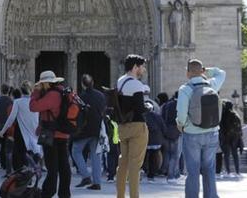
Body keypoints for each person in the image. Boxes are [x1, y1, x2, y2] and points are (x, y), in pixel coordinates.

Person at [175, 60, 225, 198]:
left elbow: (181, 114)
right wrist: (206, 70)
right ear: (202, 71)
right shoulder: (212, 84)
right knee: (209, 169)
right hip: (212, 132)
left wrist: (180, 124)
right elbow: (222, 73)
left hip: (192, 134)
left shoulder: (185, 89)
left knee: (193, 171)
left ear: (188, 73)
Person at [29, 71, 72, 198]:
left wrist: (35, 93)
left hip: (52, 135)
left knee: (52, 167)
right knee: (64, 165)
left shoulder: (52, 95)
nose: (41, 86)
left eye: (42, 84)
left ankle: (48, 192)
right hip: (62, 134)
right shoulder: (62, 92)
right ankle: (64, 193)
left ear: (47, 83)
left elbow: (33, 107)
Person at [114, 54, 150, 198]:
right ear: (135, 67)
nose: (143, 69)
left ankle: (120, 196)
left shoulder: (120, 81)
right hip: (137, 127)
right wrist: (149, 107)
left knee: (123, 163)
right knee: (135, 165)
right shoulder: (136, 85)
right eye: (142, 66)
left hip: (123, 127)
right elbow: (140, 109)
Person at [71, 74, 106, 190]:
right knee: (96, 155)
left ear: (82, 84)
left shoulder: (82, 96)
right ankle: (97, 182)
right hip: (97, 128)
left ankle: (86, 175)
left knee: (76, 150)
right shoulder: (101, 95)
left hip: (85, 129)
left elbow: (79, 113)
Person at [1, 83, 42, 172]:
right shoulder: (36, 101)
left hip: (21, 131)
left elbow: (11, 118)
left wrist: (3, 131)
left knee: (19, 155)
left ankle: (24, 175)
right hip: (34, 130)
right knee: (31, 152)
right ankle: (32, 169)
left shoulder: (18, 102)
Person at [158, 92, 182, 185]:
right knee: (175, 155)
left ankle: (166, 171)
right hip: (176, 131)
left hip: (166, 130)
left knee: (167, 153)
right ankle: (172, 175)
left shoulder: (166, 105)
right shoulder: (179, 105)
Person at [217, 101, 242, 179]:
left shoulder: (223, 115)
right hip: (235, 138)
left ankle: (228, 171)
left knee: (226, 155)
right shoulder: (236, 115)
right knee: (235, 155)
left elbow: (221, 128)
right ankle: (237, 171)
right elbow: (239, 129)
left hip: (226, 138)